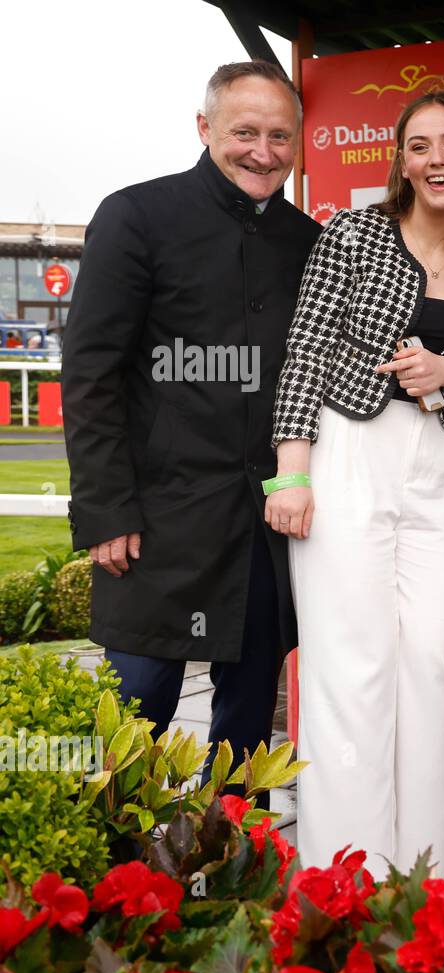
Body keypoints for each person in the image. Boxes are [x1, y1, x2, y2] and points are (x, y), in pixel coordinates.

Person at [62, 61, 320, 796]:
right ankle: (114, 881)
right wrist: (107, 511)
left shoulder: (307, 241)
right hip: (157, 524)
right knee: (134, 720)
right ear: (204, 128)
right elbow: (91, 373)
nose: (263, 152)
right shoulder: (136, 216)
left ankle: (231, 869)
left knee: (245, 731)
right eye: (245, 132)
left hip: (264, 525)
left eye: (279, 136)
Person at [267, 91, 444, 879]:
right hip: (348, 451)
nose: (436, 160)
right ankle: (345, 875)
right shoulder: (355, 232)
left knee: (430, 664)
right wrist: (290, 475)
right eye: (420, 145)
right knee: (350, 666)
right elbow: (305, 349)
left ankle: (420, 876)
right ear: (399, 159)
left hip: (440, 468)